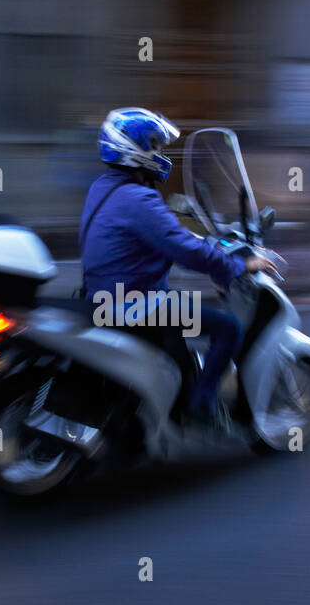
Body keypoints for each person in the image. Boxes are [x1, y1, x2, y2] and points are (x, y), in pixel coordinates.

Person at [80, 107, 274, 430]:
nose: (160, 153)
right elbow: (184, 250)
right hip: (135, 305)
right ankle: (201, 408)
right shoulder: (139, 199)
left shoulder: (103, 188)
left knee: (181, 308)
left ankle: (175, 394)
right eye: (154, 146)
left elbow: (165, 235)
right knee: (228, 328)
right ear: (134, 150)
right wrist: (239, 265)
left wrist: (197, 242)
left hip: (102, 297)